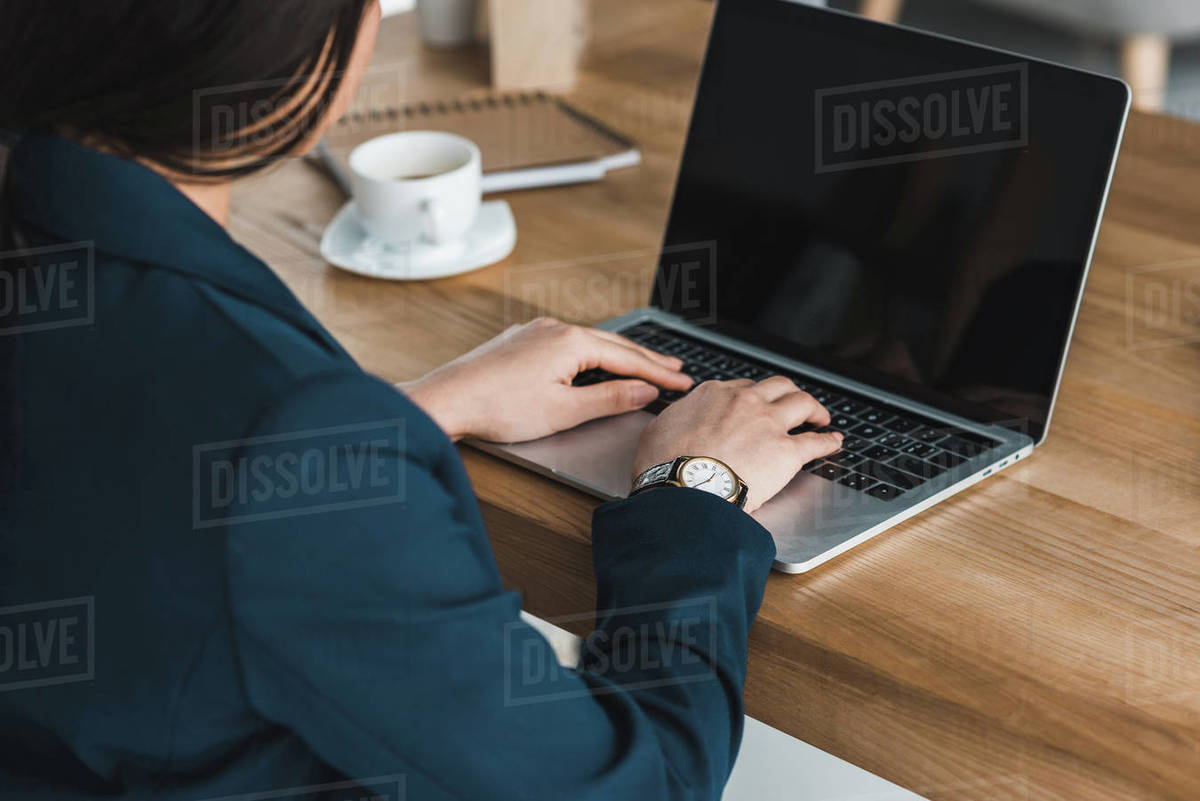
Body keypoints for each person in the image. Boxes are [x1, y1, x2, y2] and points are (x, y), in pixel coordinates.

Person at [0, 2, 841, 799]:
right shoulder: (279, 431)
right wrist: (693, 488)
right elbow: (642, 784)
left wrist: (411, 410)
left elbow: (139, 474)